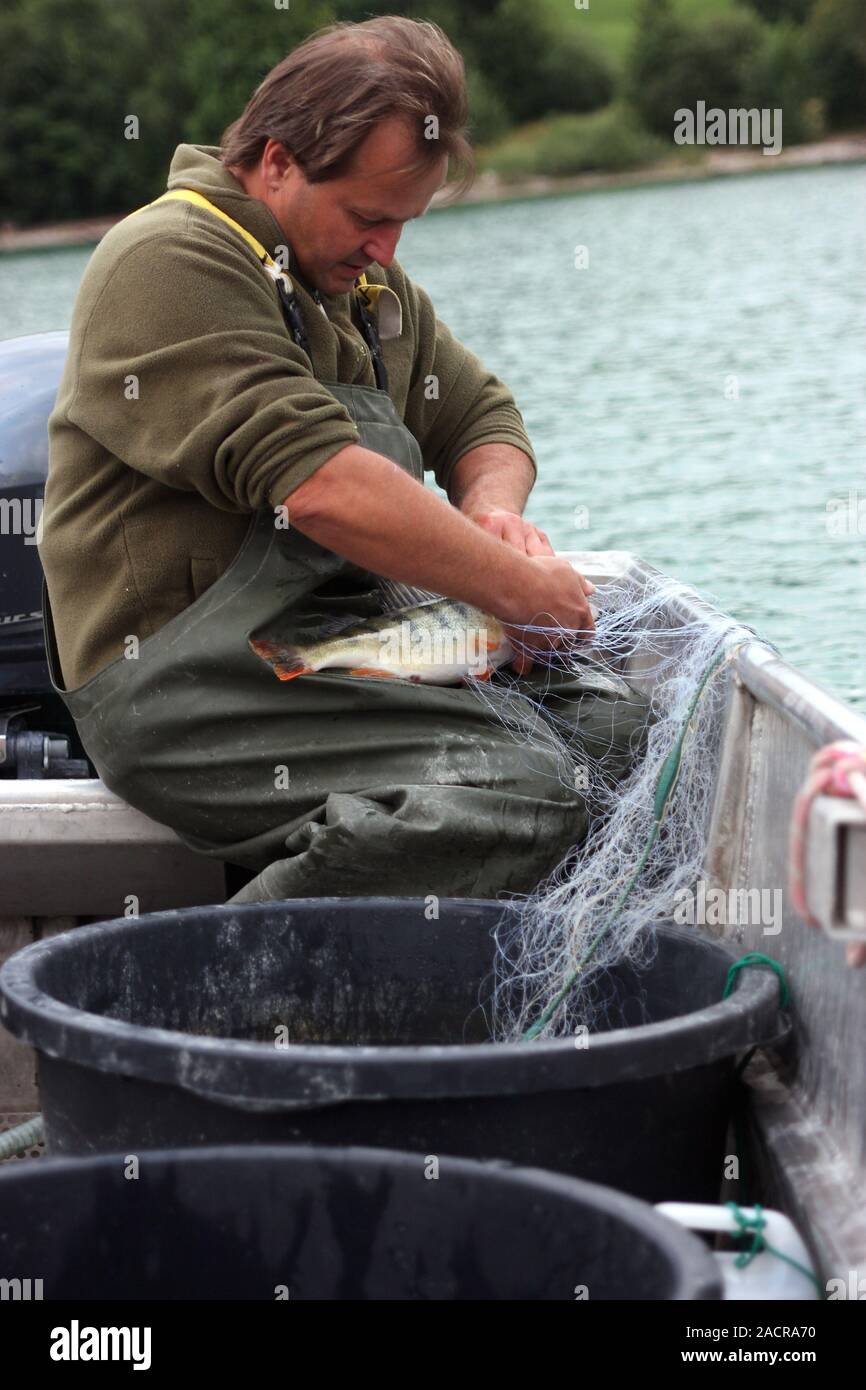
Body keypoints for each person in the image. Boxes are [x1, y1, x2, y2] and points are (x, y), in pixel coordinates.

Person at [39, 16, 646, 903]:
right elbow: (320, 485)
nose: (386, 250)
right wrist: (514, 589)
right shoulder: (168, 260)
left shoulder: (364, 286)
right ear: (278, 160)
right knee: (527, 792)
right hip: (183, 694)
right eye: (368, 216)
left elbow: (484, 417)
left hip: (330, 649)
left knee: (612, 729)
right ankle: (216, 1000)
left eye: (405, 222)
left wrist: (490, 513)